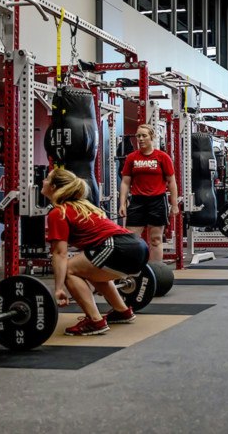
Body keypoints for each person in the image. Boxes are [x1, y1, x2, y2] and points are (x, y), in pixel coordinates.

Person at [42, 168, 149, 336]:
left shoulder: (58, 212)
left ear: (54, 187)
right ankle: (122, 311)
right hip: (138, 247)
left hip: (118, 247)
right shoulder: (84, 206)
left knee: (69, 270)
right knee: (92, 269)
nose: (43, 181)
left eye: (47, 179)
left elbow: (59, 254)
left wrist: (58, 287)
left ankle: (95, 321)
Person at [118, 124, 179, 263]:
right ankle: (132, 272)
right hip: (137, 201)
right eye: (138, 136)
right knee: (132, 239)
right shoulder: (131, 158)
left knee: (156, 239)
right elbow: (125, 182)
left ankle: (155, 273)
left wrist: (174, 205)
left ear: (152, 137)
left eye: (144, 135)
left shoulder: (162, 157)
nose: (140, 139)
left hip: (157, 201)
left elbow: (172, 182)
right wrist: (122, 203)